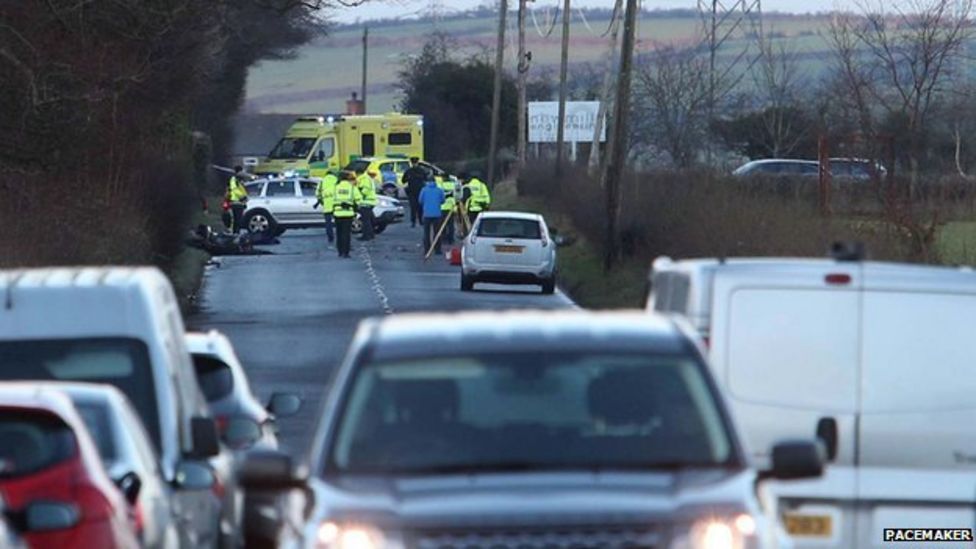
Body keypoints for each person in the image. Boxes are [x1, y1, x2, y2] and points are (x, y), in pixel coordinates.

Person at [332, 171, 362, 258]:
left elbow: (331, 199)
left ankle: (340, 252)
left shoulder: (335, 188)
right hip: (348, 213)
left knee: (339, 233)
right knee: (346, 234)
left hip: (337, 213)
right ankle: (346, 252)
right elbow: (359, 200)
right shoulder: (352, 188)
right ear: (348, 178)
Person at [418, 175, 446, 256]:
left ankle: (427, 249)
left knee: (426, 233)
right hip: (437, 214)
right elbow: (443, 200)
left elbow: (420, 200)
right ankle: (437, 249)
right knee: (437, 232)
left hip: (427, 214)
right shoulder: (439, 190)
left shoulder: (424, 190)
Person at [402, 157, 429, 228]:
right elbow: (403, 180)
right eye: (413, 163)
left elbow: (426, 179)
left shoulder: (420, 171)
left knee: (420, 207)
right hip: (412, 191)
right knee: (413, 207)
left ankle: (420, 220)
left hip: (420, 191)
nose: (414, 164)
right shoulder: (409, 171)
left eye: (415, 163)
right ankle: (414, 221)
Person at [314, 170, 338, 244]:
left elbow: (317, 194)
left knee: (328, 223)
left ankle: (330, 237)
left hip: (327, 205)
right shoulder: (337, 180)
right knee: (339, 222)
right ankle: (339, 236)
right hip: (337, 205)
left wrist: (321, 202)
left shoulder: (322, 181)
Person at [356, 168, 379, 241]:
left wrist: (358, 195)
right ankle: (371, 235)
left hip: (366, 202)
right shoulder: (367, 178)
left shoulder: (363, 179)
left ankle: (366, 236)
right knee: (369, 220)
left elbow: (365, 190)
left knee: (366, 221)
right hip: (370, 202)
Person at [226, 166, 249, 233]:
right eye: (241, 171)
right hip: (235, 203)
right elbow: (235, 190)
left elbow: (242, 190)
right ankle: (234, 233)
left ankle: (236, 233)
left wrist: (245, 200)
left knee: (238, 220)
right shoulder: (234, 180)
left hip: (239, 203)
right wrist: (242, 197)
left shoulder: (239, 180)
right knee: (236, 220)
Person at [438, 175, 459, 246]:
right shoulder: (454, 185)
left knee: (442, 225)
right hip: (451, 207)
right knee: (451, 225)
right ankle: (451, 239)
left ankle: (443, 239)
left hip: (442, 207)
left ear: (443, 179)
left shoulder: (440, 186)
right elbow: (457, 196)